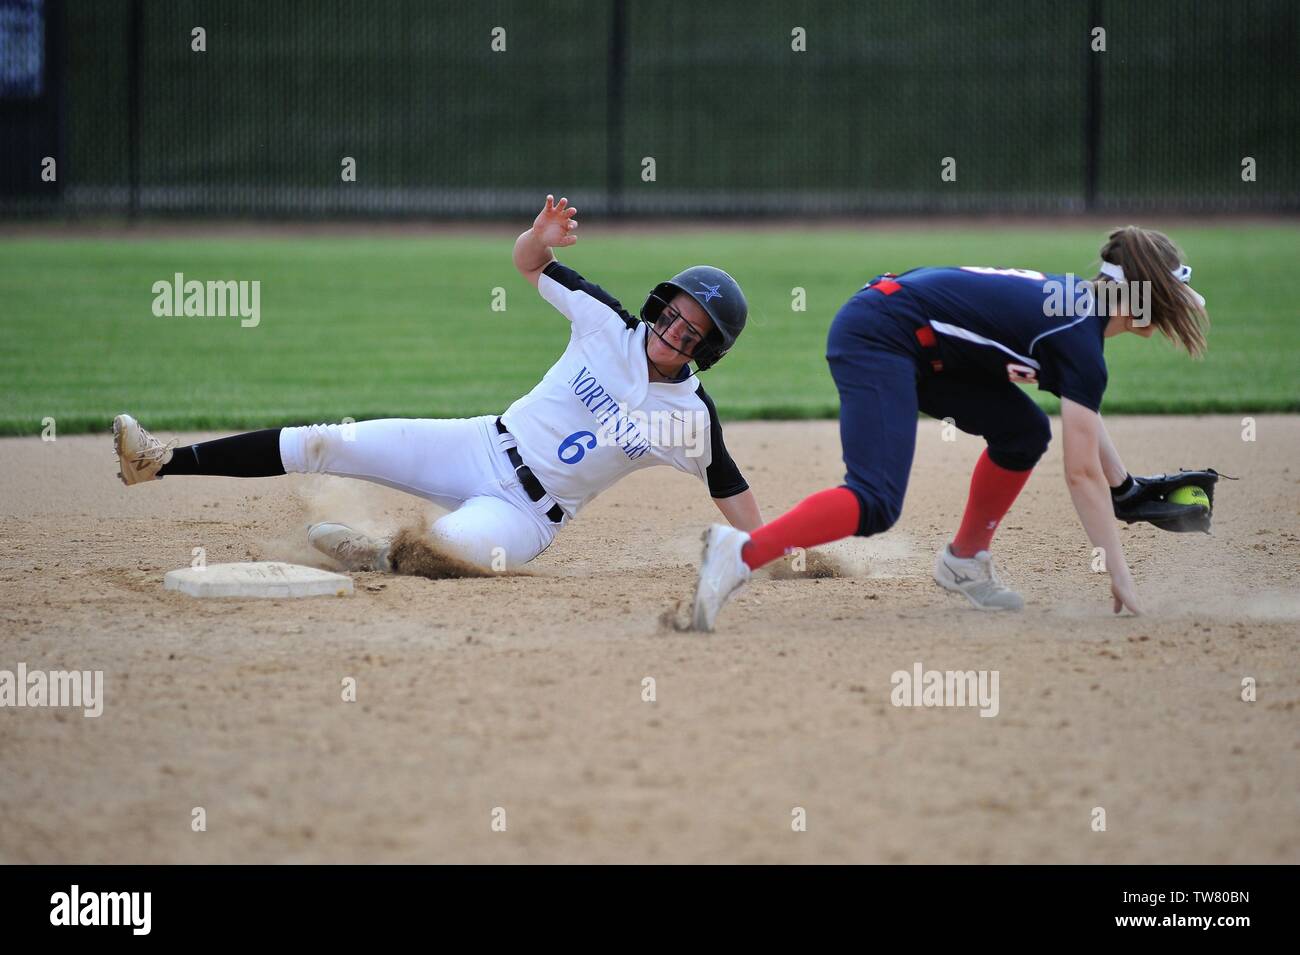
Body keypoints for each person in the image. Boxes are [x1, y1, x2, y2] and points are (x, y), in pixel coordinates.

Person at [113, 195, 763, 572]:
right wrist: (538, 236)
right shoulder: (605, 325)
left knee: (447, 546)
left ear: (708, 349)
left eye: (694, 330)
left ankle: (374, 555)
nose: (677, 329)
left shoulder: (689, 415)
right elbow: (530, 263)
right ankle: (160, 460)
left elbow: (727, 482)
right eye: (675, 312)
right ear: (659, 305)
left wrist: (768, 549)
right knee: (324, 442)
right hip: (477, 444)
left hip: (526, 515)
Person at [691, 226, 1209, 630]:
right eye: (1168, 302)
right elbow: (1080, 476)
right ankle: (740, 553)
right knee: (875, 500)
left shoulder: (1076, 316)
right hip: (881, 335)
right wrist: (1120, 574)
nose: (1170, 317)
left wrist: (1123, 486)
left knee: (1024, 432)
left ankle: (964, 561)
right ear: (1144, 301)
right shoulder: (1077, 335)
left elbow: (1086, 426)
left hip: (925, 349)